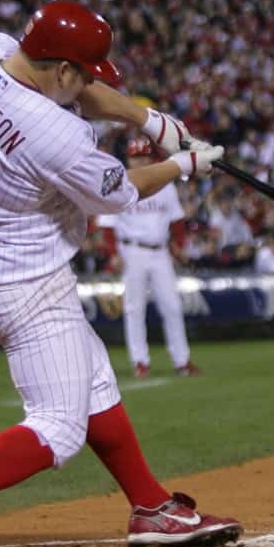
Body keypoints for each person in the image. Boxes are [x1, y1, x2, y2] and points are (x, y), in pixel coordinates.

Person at [0, 0, 241, 547]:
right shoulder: (57, 133)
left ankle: (150, 506)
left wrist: (148, 122)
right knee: (60, 426)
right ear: (66, 72)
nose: (91, 84)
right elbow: (120, 191)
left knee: (93, 374)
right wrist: (185, 167)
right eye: (86, 74)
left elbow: (63, 80)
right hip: (23, 285)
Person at [97, 136, 200, 379]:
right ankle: (140, 361)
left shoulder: (164, 185)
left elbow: (176, 221)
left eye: (144, 156)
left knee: (172, 306)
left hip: (160, 252)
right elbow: (107, 224)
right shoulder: (119, 185)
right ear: (129, 159)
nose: (140, 160)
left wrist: (179, 246)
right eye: (135, 156)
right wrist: (113, 253)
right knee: (134, 308)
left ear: (150, 158)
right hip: (131, 251)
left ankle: (182, 361)